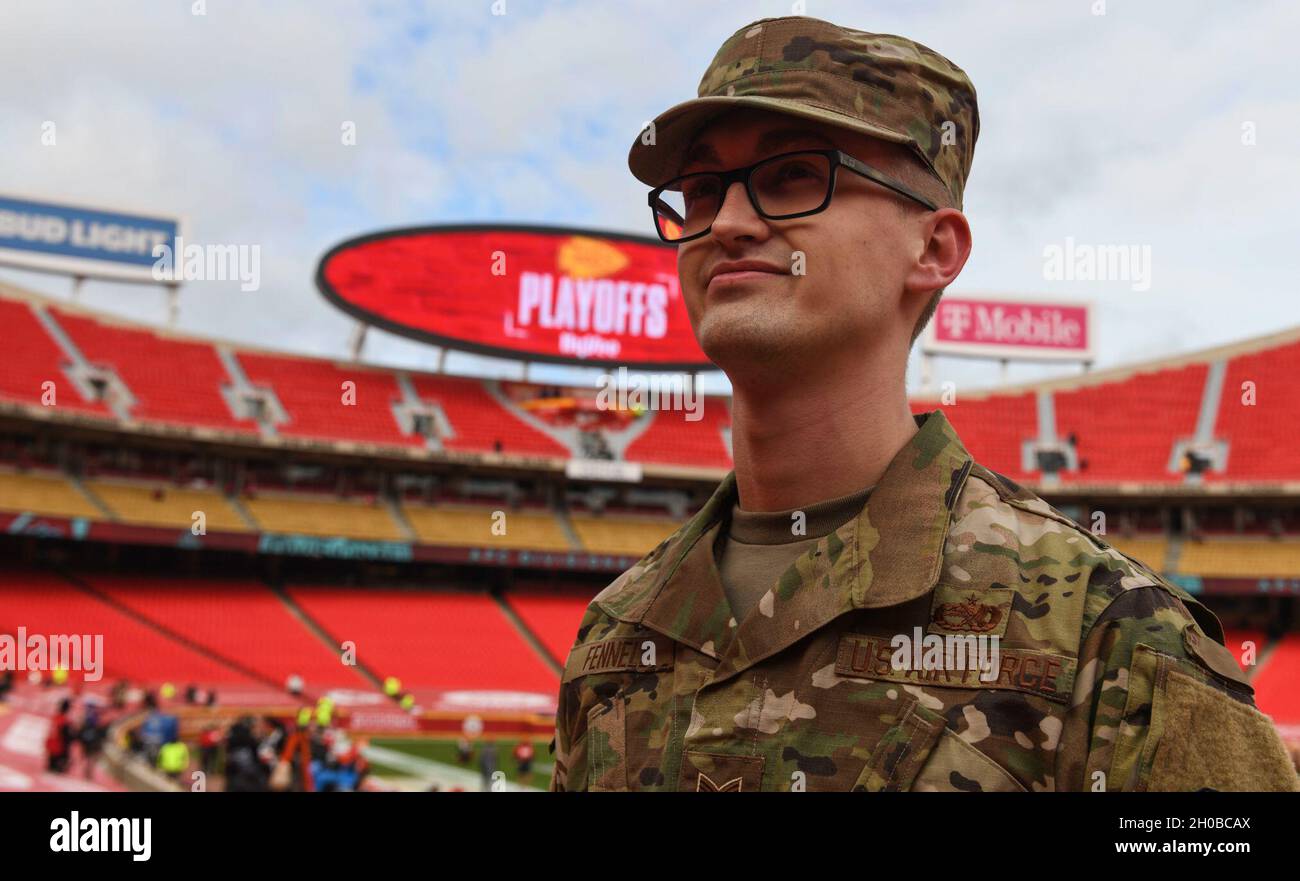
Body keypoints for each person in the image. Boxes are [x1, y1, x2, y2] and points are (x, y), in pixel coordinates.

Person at [548, 14, 1300, 792]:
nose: (729, 224)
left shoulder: (1108, 634)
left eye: (794, 176)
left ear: (934, 249)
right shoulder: (616, 632)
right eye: (701, 191)